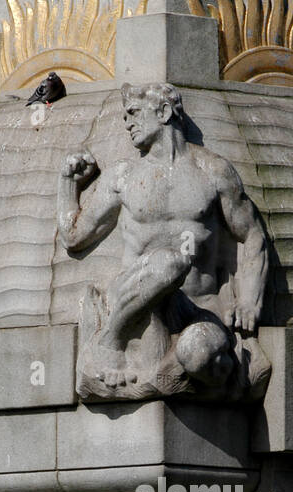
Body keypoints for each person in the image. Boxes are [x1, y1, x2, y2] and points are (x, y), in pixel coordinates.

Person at [57, 81, 269, 397]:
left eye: (134, 113)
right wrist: (68, 183)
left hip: (197, 309)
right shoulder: (123, 176)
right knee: (169, 261)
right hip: (136, 309)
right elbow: (73, 236)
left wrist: (250, 301)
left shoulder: (212, 170)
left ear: (164, 112)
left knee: (199, 354)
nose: (127, 123)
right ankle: (109, 341)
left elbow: (252, 235)